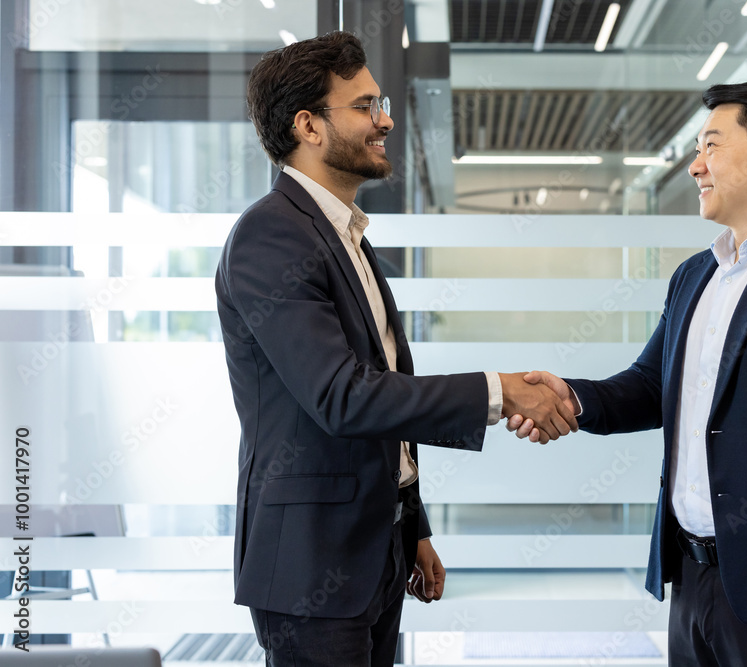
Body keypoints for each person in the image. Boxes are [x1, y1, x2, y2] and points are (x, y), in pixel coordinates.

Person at [508, 81, 747, 665]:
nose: (694, 166)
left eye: (711, 146)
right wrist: (571, 398)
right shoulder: (697, 275)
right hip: (693, 583)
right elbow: (649, 387)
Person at [215, 31, 577, 667]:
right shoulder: (271, 235)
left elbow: (381, 397)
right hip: (311, 566)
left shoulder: (346, 234)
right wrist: (499, 392)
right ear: (309, 126)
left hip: (374, 549)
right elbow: (343, 397)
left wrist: (412, 528)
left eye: (379, 103)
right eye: (364, 107)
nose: (384, 120)